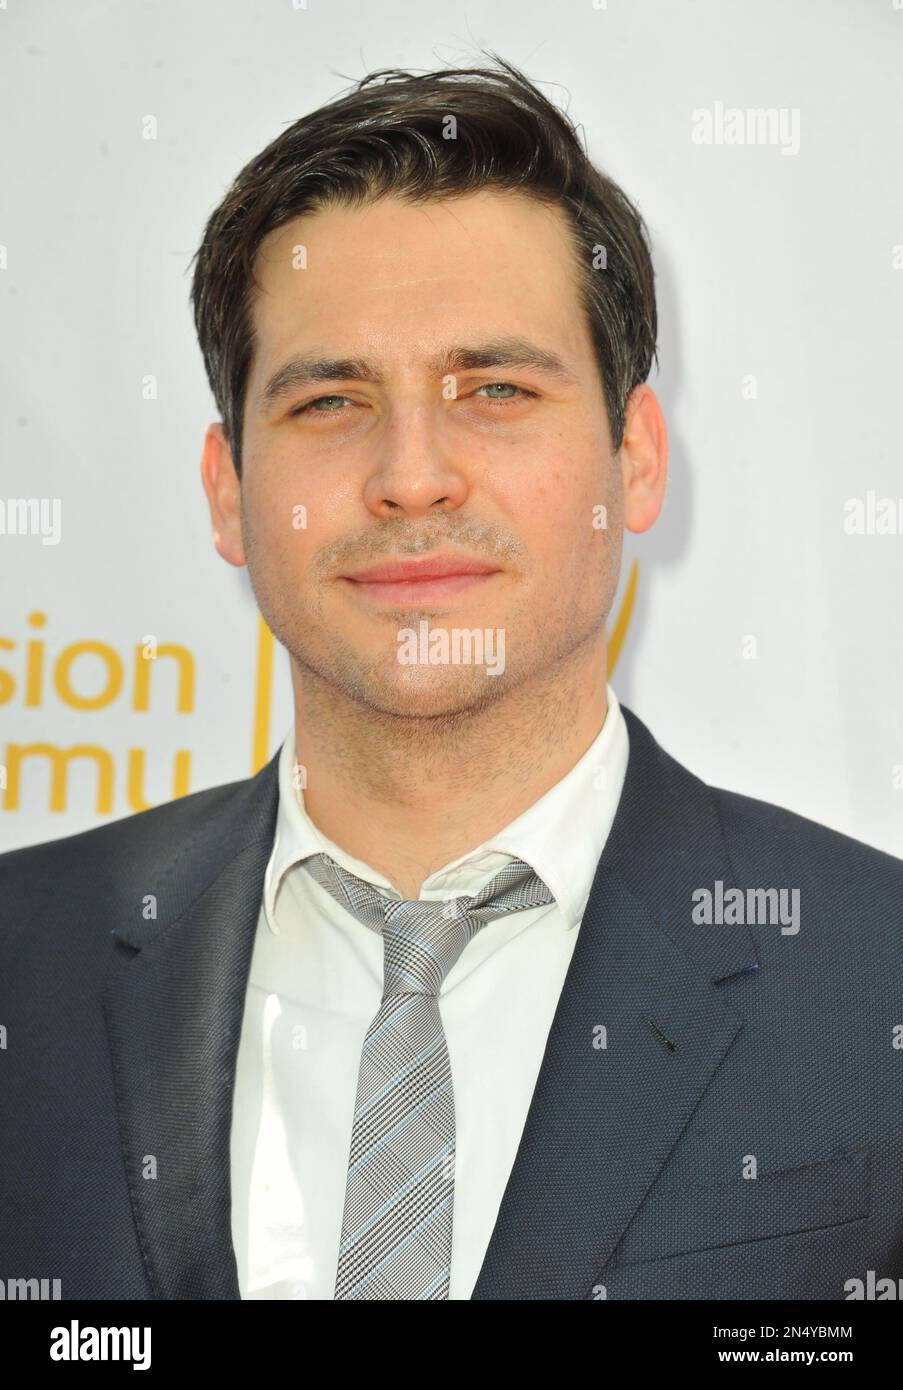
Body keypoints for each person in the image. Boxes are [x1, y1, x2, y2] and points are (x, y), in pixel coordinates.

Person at [1, 56, 901, 1302]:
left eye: (495, 390)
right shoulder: (21, 958)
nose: (412, 475)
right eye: (330, 400)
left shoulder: (876, 979)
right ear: (227, 491)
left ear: (635, 457)